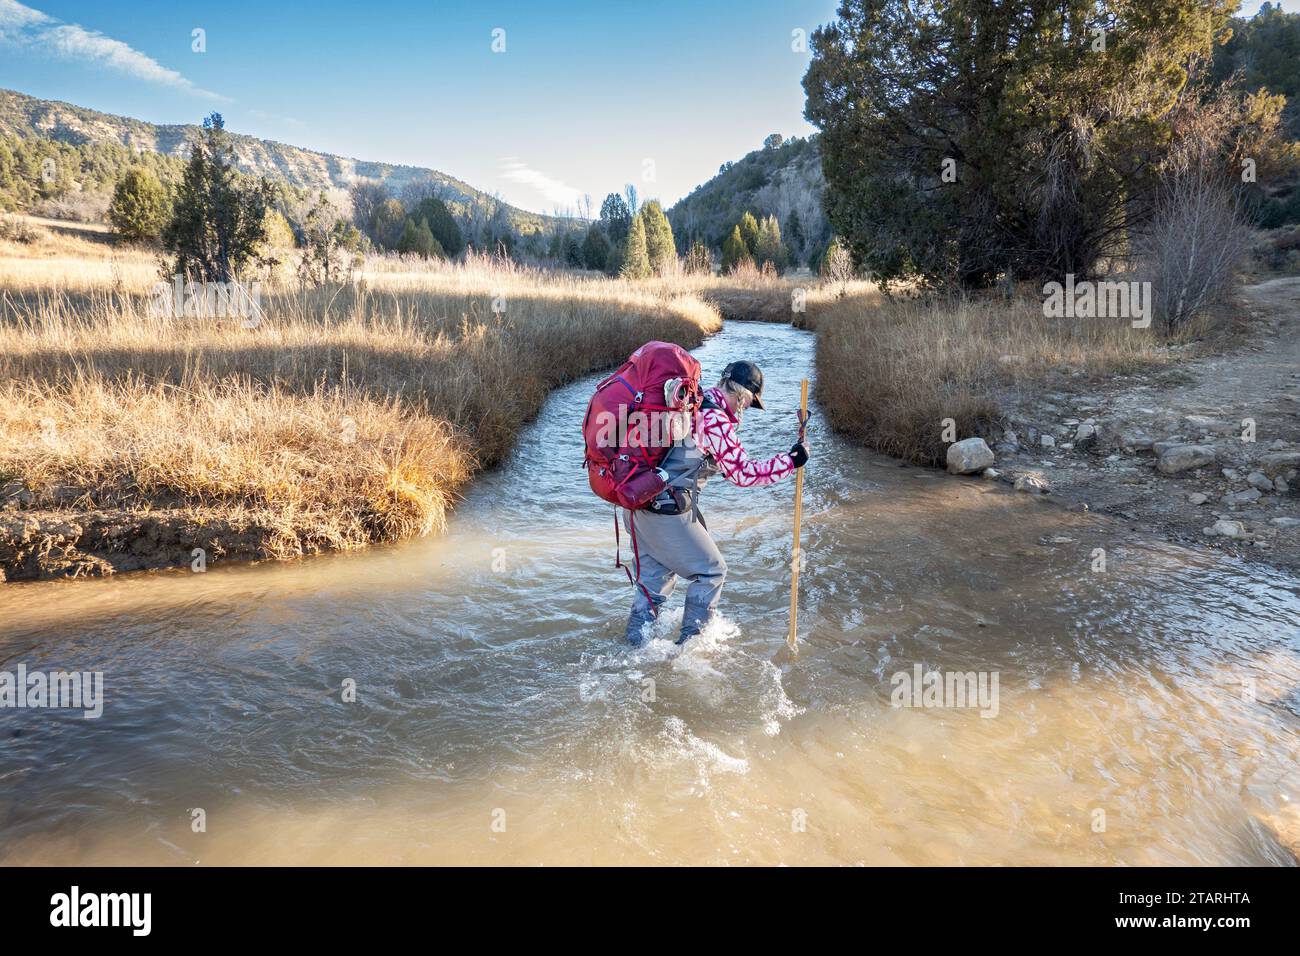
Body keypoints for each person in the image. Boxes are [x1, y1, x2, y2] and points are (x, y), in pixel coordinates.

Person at [623, 360, 809, 645]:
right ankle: (691, 650)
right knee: (711, 571)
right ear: (741, 396)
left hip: (637, 501)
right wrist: (791, 461)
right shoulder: (716, 420)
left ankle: (634, 652)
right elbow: (743, 474)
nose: (744, 411)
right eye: (747, 404)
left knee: (653, 583)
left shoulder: (694, 401)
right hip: (667, 510)